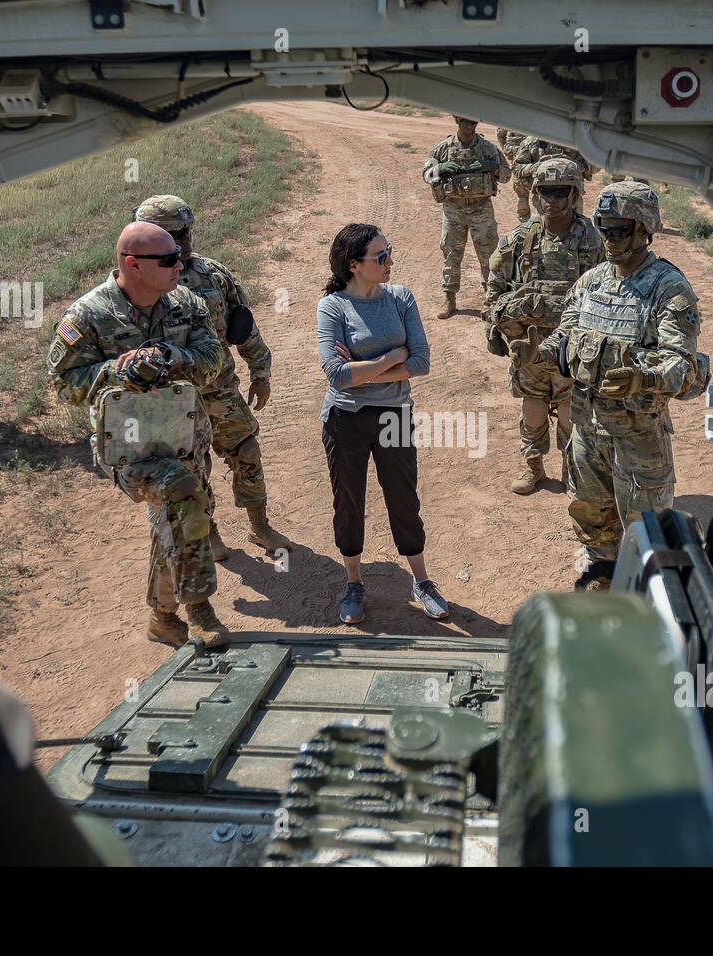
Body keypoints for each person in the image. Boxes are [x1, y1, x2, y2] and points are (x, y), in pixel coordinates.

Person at [46, 221, 231, 647]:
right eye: (168, 260)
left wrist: (171, 356)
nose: (179, 265)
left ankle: (162, 618)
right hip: (130, 448)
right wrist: (117, 370)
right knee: (184, 496)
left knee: (179, 516)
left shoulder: (184, 303)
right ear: (133, 264)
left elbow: (212, 360)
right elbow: (62, 385)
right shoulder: (87, 316)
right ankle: (200, 609)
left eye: (179, 257)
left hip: (185, 437)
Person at [515, 181, 703, 590]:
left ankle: (646, 605)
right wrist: (545, 352)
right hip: (586, 430)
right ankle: (601, 579)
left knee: (646, 533)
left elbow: (685, 368)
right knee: (591, 517)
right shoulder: (592, 281)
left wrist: (645, 377)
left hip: (638, 438)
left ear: (644, 229)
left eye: (619, 230)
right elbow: (568, 332)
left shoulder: (667, 287)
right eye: (603, 228)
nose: (609, 239)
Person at [133, 194, 292, 559]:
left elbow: (243, 325)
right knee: (192, 470)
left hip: (220, 391)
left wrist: (261, 371)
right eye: (175, 235)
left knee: (247, 453)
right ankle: (210, 534)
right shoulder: (136, 287)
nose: (185, 241)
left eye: (187, 231)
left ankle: (259, 527)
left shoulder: (212, 274)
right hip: (173, 403)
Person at [316, 223, 449, 624]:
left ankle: (422, 581)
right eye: (381, 256)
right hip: (346, 419)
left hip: (394, 415)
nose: (390, 261)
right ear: (355, 265)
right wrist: (392, 359)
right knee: (349, 501)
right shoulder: (333, 307)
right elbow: (336, 375)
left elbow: (422, 362)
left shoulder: (401, 297)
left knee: (403, 499)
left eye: (389, 251)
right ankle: (354, 583)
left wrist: (364, 370)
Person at [484, 158, 603, 495]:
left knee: (570, 412)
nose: (551, 200)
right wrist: (497, 325)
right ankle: (533, 466)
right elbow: (495, 286)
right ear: (534, 194)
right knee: (533, 408)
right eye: (544, 192)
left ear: (575, 193)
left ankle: (571, 468)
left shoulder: (594, 240)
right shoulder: (520, 239)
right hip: (530, 344)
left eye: (559, 192)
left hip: (575, 346)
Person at [423, 116, 510, 320]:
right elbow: (426, 175)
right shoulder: (443, 149)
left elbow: (506, 176)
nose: (469, 127)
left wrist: (493, 167)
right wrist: (440, 169)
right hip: (453, 209)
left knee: (489, 256)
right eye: (465, 122)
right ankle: (449, 298)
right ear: (457, 121)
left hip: (481, 208)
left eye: (473, 123)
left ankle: (492, 301)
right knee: (451, 255)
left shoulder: (488, 148)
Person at [512, 137, 594, 216]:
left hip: (571, 196)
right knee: (540, 227)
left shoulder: (577, 140)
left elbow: (591, 165)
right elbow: (517, 167)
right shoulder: (532, 141)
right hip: (543, 196)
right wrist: (536, 168)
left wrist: (576, 166)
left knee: (575, 227)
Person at [494, 127, 531, 220]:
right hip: (533, 163)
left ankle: (524, 222)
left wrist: (507, 151)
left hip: (517, 162)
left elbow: (500, 133)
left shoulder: (512, 119)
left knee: (522, 196)